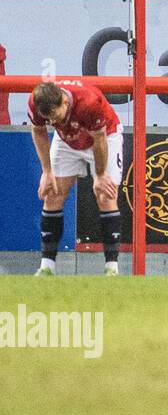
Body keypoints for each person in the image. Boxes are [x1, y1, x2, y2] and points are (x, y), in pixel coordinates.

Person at [27, 80, 123, 276]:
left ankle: (111, 268)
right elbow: (38, 131)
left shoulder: (88, 102)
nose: (53, 122)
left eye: (55, 116)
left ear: (64, 102)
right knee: (52, 194)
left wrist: (101, 174)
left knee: (106, 196)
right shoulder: (36, 102)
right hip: (67, 141)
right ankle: (47, 266)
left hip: (104, 137)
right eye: (49, 119)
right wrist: (47, 171)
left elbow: (99, 138)